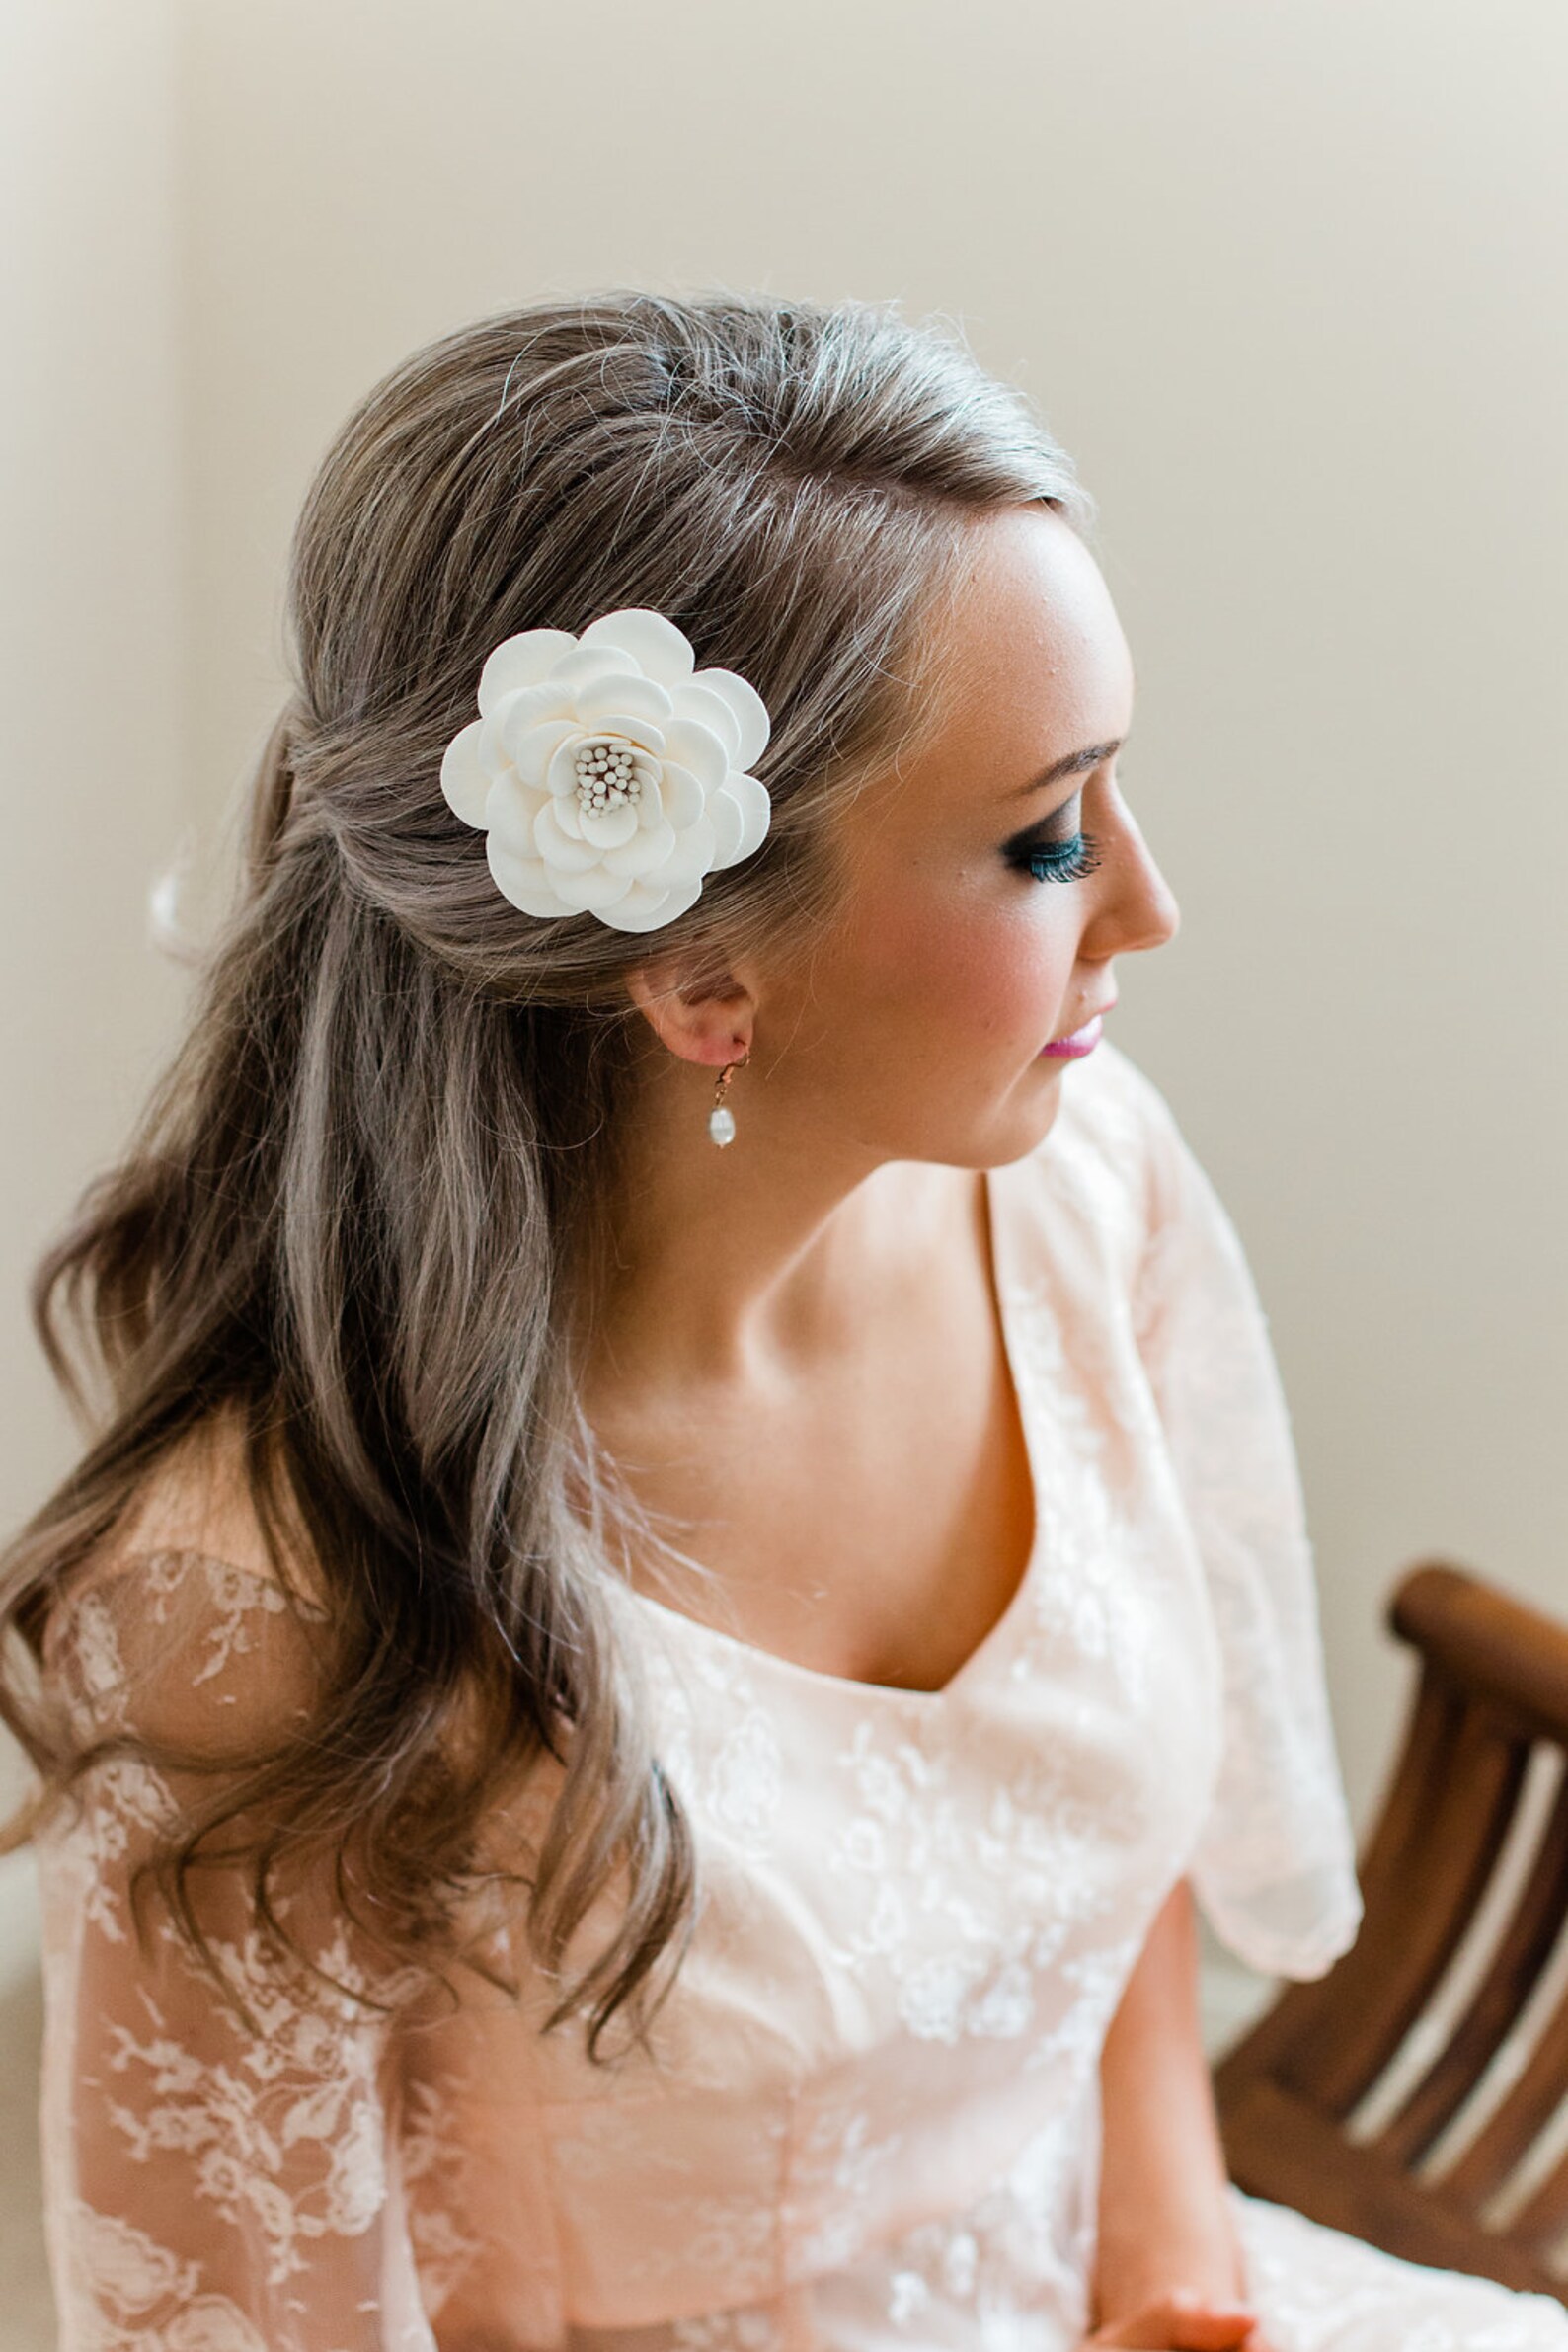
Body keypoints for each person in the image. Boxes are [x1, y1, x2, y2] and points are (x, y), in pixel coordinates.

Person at [3, 291, 1562, 2352]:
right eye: (1042, 835)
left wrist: (1172, 2261)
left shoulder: (1082, 1191)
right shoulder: (251, 1617)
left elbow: (1113, 1848)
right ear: (700, 979)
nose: (1146, 904)